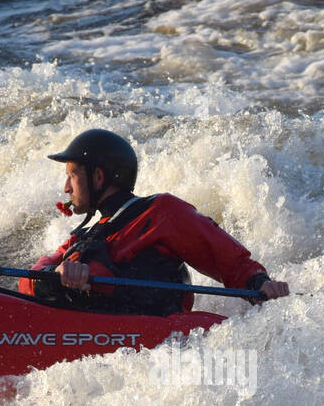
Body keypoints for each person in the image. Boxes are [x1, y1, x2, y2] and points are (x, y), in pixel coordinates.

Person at [19, 129, 289, 314]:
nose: (66, 188)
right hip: (85, 335)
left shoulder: (160, 212)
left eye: (73, 175)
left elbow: (225, 257)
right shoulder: (81, 239)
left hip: (148, 339)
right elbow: (28, 278)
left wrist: (259, 284)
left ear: (98, 177)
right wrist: (54, 278)